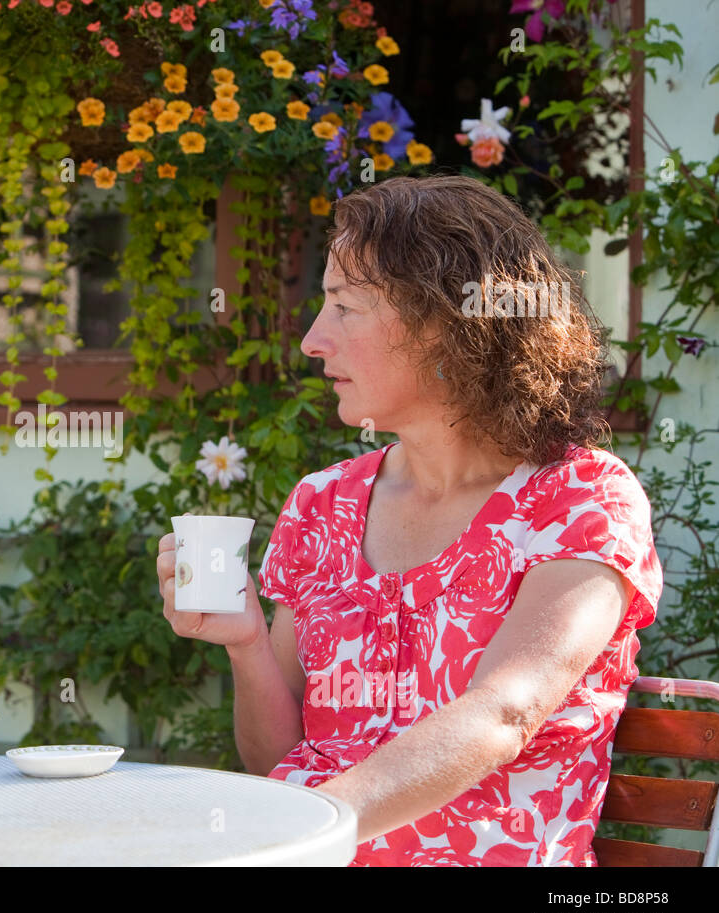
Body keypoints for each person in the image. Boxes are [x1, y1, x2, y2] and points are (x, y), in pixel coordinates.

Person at [157, 175, 662, 866]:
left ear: (442, 326)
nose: (312, 340)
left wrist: (295, 837)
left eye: (343, 307)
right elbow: (283, 760)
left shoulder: (581, 500)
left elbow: (504, 713)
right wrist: (245, 643)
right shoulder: (321, 504)